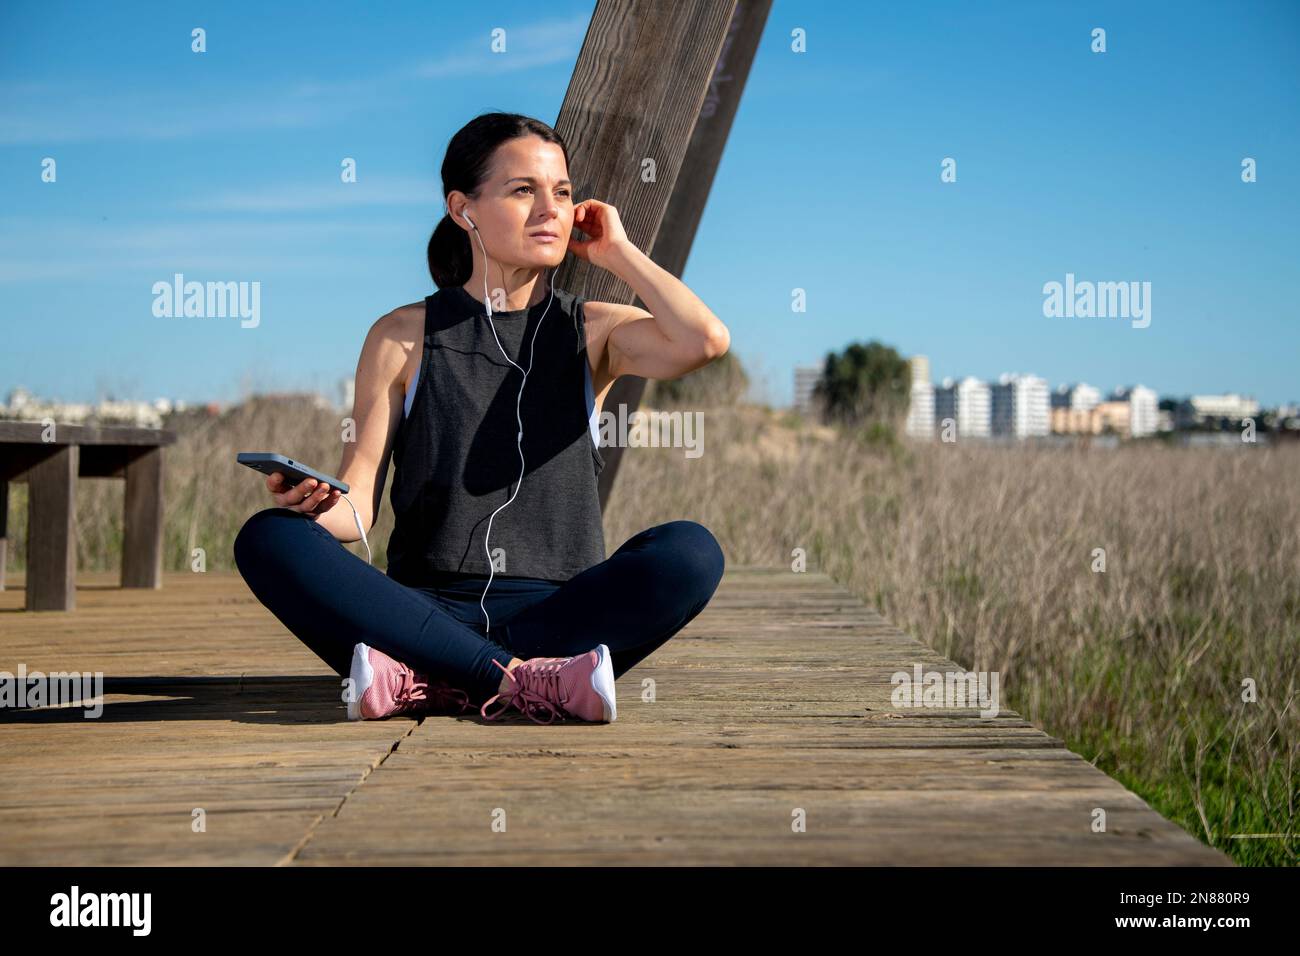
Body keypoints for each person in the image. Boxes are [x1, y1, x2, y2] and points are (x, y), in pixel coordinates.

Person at [233, 111, 730, 725]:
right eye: (524, 190)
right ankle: (518, 681)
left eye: (563, 192)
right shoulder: (401, 336)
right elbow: (357, 505)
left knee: (691, 552)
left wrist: (618, 252)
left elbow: (704, 340)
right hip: (418, 614)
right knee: (269, 537)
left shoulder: (596, 331)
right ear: (463, 209)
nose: (551, 209)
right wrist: (314, 504)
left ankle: (434, 683)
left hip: (557, 616)